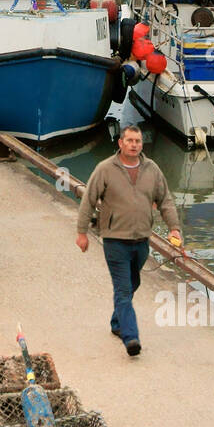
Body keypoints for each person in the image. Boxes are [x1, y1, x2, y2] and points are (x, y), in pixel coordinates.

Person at [75, 124, 181, 357]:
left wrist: (174, 228)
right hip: (115, 240)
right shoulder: (105, 169)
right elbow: (88, 201)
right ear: (120, 143)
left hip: (142, 239)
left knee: (133, 283)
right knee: (123, 289)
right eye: (130, 140)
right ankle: (130, 336)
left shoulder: (152, 169)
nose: (134, 145)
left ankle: (116, 323)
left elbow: (166, 201)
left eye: (138, 141)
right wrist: (82, 232)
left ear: (142, 144)